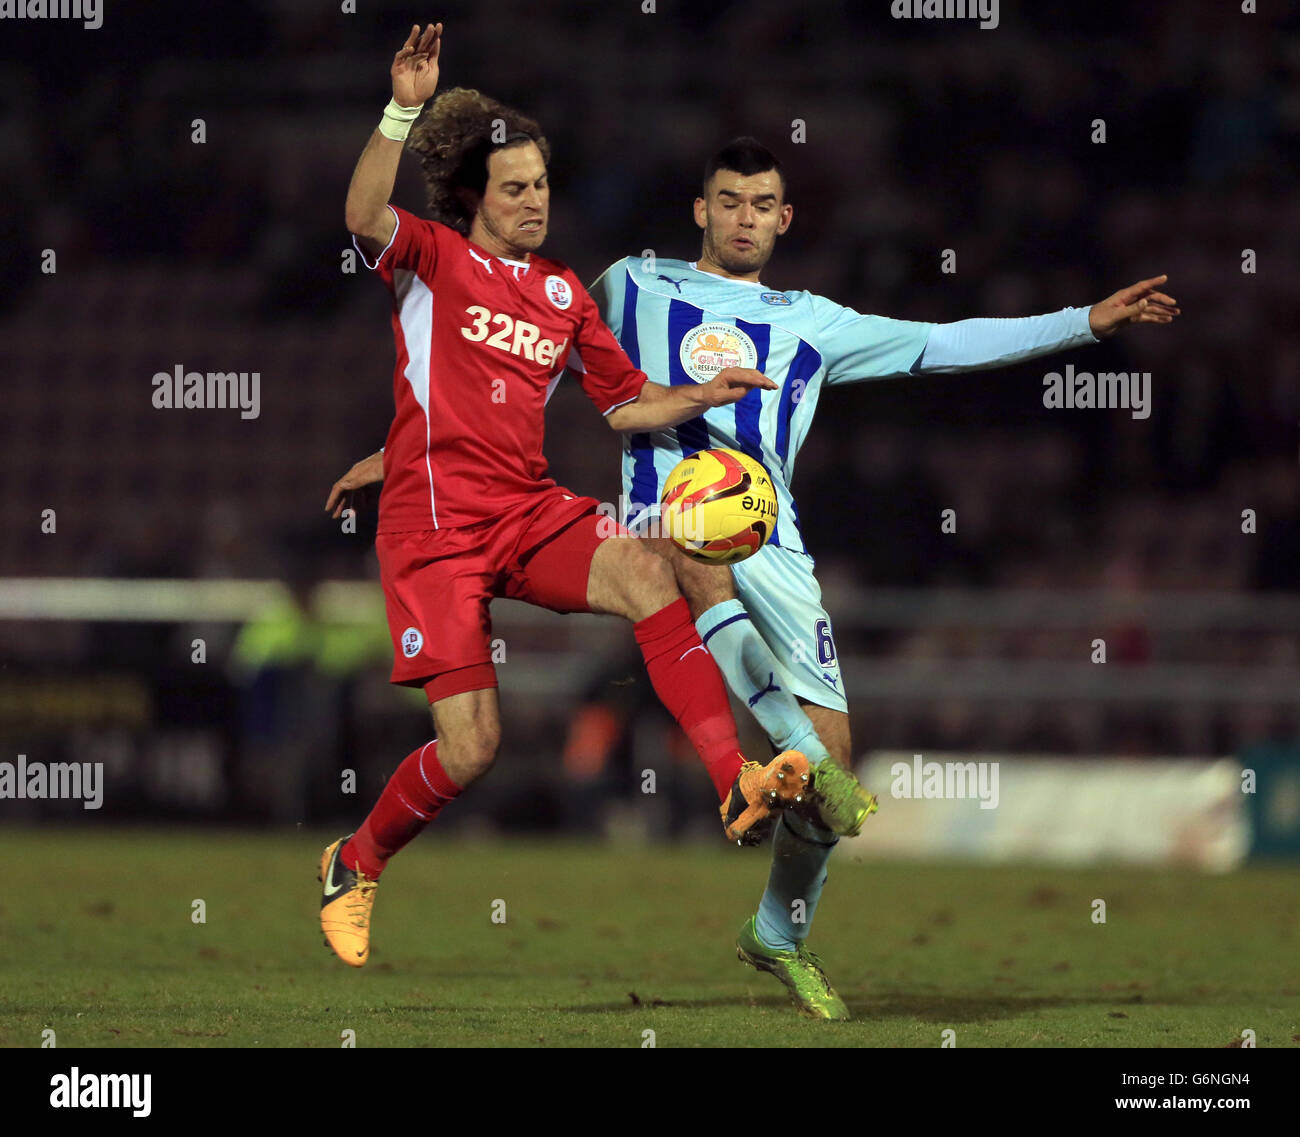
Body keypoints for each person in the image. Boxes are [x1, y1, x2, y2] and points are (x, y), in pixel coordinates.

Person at [318, 26, 821, 970]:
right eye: (515, 187)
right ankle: (354, 860)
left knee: (651, 561)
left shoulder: (561, 297)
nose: (535, 200)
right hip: (433, 532)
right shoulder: (430, 258)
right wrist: (400, 108)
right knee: (472, 750)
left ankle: (733, 780)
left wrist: (701, 396)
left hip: (525, 508)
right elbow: (359, 214)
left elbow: (625, 403)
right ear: (473, 197)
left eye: (543, 184)